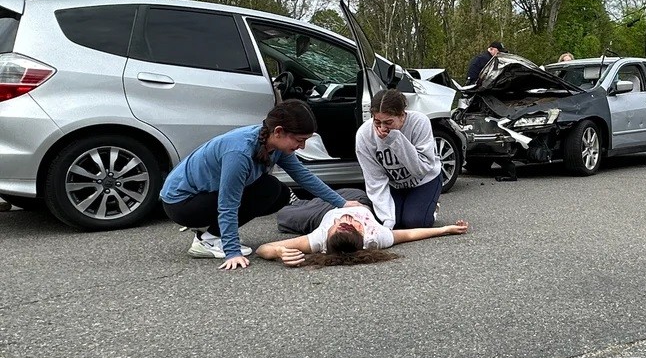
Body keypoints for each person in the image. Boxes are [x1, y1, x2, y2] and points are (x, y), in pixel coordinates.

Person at [160, 100, 365, 270]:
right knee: (265, 190)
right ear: (279, 131)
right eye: (299, 140)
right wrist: (232, 252)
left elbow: (304, 176)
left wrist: (342, 203)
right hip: (182, 204)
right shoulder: (239, 153)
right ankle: (209, 240)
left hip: (202, 197)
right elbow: (228, 203)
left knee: (277, 192)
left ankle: (212, 233)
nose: (301, 146)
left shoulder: (272, 144)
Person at [257, 198, 469, 269]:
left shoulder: (318, 240)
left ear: (328, 234)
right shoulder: (376, 238)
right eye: (350, 225)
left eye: (339, 225)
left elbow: (262, 249)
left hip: (325, 210)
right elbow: (411, 234)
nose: (346, 219)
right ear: (364, 236)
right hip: (357, 200)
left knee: (285, 216)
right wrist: (445, 229)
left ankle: (301, 202)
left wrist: (278, 251)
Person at [355, 89, 442, 230]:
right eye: (377, 122)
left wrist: (395, 138)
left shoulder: (420, 122)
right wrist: (387, 220)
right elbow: (375, 180)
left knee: (414, 222)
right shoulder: (364, 135)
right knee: (391, 223)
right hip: (394, 184)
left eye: (388, 122)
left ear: (402, 115)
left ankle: (431, 206)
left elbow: (421, 169)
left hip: (424, 180)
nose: (382, 128)